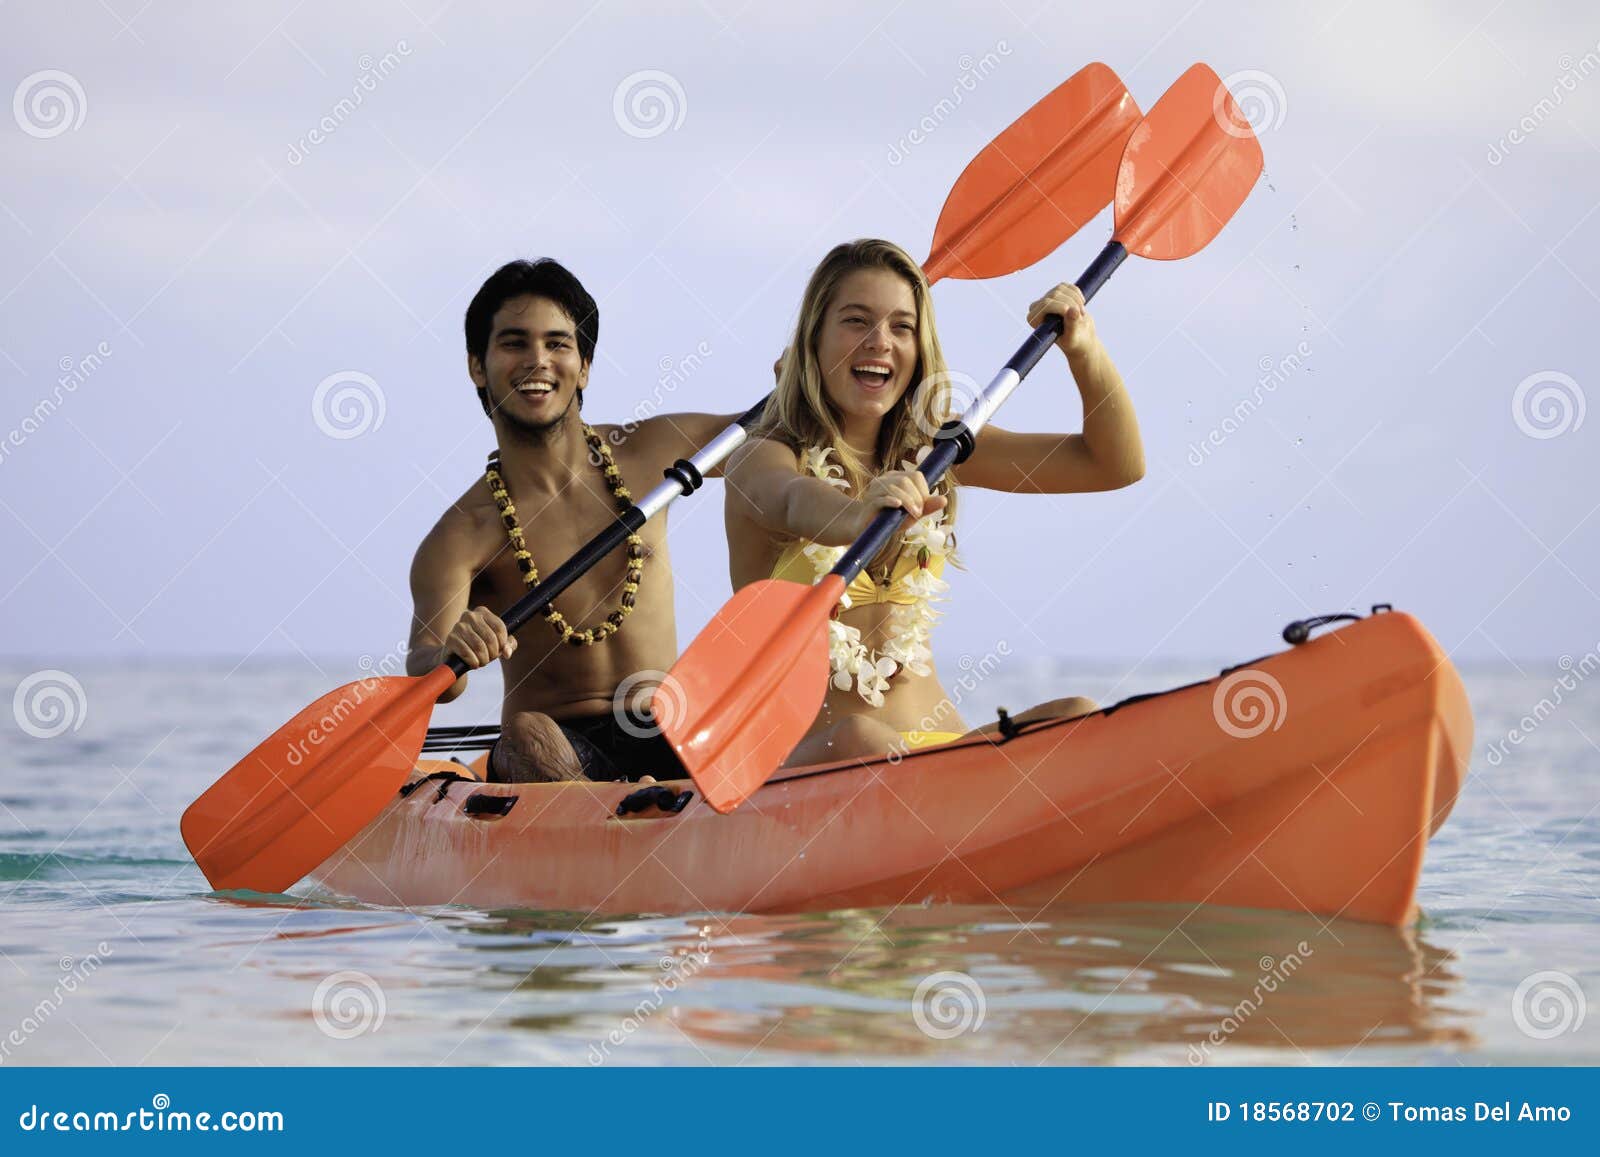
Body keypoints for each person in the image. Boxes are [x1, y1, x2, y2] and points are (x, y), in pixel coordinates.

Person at [724, 239, 1144, 765]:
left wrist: (1084, 351)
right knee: (862, 736)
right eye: (856, 321)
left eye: (901, 326)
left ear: (919, 347)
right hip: (816, 765)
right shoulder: (760, 460)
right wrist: (860, 515)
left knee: (1077, 714)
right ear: (813, 339)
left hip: (936, 753)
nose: (880, 341)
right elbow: (788, 502)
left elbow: (1113, 465)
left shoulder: (939, 456)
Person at [406, 258, 735, 783]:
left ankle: (668, 803)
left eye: (558, 344)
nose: (538, 361)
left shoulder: (654, 452)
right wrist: (451, 650)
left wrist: (804, 382)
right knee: (525, 732)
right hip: (554, 756)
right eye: (514, 343)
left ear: (583, 366)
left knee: (729, 695)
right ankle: (621, 823)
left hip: (671, 733)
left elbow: (775, 438)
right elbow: (428, 671)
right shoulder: (459, 534)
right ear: (477, 365)